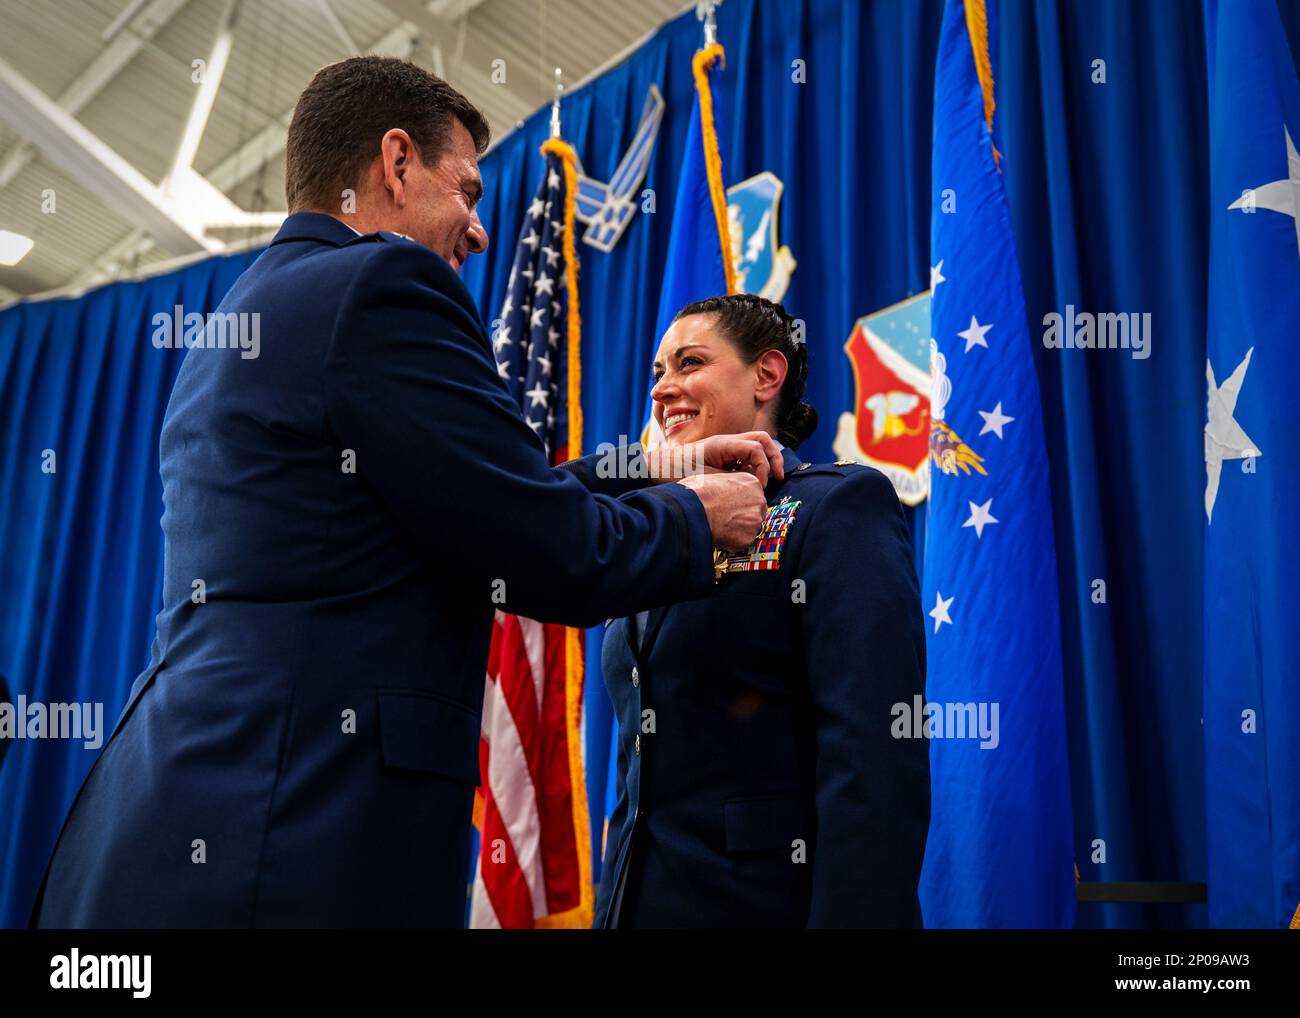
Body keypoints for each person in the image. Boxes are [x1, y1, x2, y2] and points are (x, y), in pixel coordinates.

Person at [31, 57, 779, 928]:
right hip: (287, 839)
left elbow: (470, 497)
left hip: (180, 824)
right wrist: (695, 517)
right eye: (467, 191)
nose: (479, 232)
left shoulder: (245, 315)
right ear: (395, 162)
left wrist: (651, 469)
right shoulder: (382, 285)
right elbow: (546, 547)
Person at [594, 294, 930, 928]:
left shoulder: (833, 508)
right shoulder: (657, 523)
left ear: (767, 375)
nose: (662, 389)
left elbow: (872, 763)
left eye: (690, 363)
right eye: (658, 372)